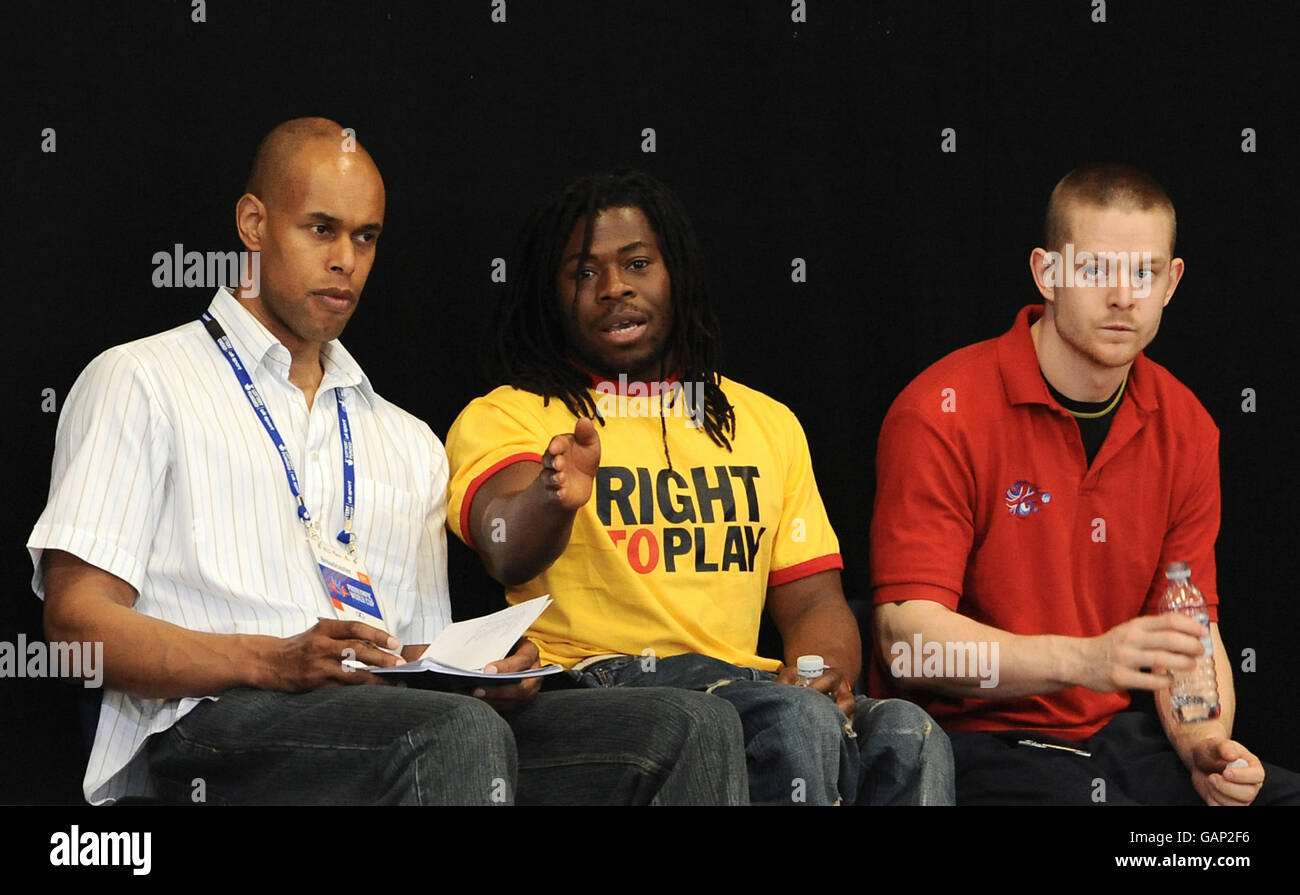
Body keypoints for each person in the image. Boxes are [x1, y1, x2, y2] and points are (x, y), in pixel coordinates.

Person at [27, 119, 748, 806]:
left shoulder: (405, 438)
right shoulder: (140, 379)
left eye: (366, 237)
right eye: (321, 229)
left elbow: (411, 657)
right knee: (447, 735)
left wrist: (478, 672)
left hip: (390, 722)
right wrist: (272, 660)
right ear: (252, 224)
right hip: (206, 726)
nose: (346, 259)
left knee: (690, 725)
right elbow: (75, 624)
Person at [445, 169, 953, 806]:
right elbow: (506, 547)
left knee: (911, 733)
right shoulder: (510, 414)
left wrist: (823, 672)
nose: (613, 288)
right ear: (552, 293)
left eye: (637, 263)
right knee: (788, 719)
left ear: (675, 274)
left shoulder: (765, 423)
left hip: (742, 683)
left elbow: (815, 604)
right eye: (583, 272)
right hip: (589, 683)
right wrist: (551, 498)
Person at [870, 162, 1300, 805]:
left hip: (1123, 743)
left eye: (1145, 272)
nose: (1123, 295)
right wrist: (1086, 661)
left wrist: (1206, 748)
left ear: (1171, 283)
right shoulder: (941, 408)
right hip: (975, 744)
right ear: (1048, 273)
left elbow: (1186, 631)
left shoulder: (1187, 426)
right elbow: (908, 648)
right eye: (1095, 270)